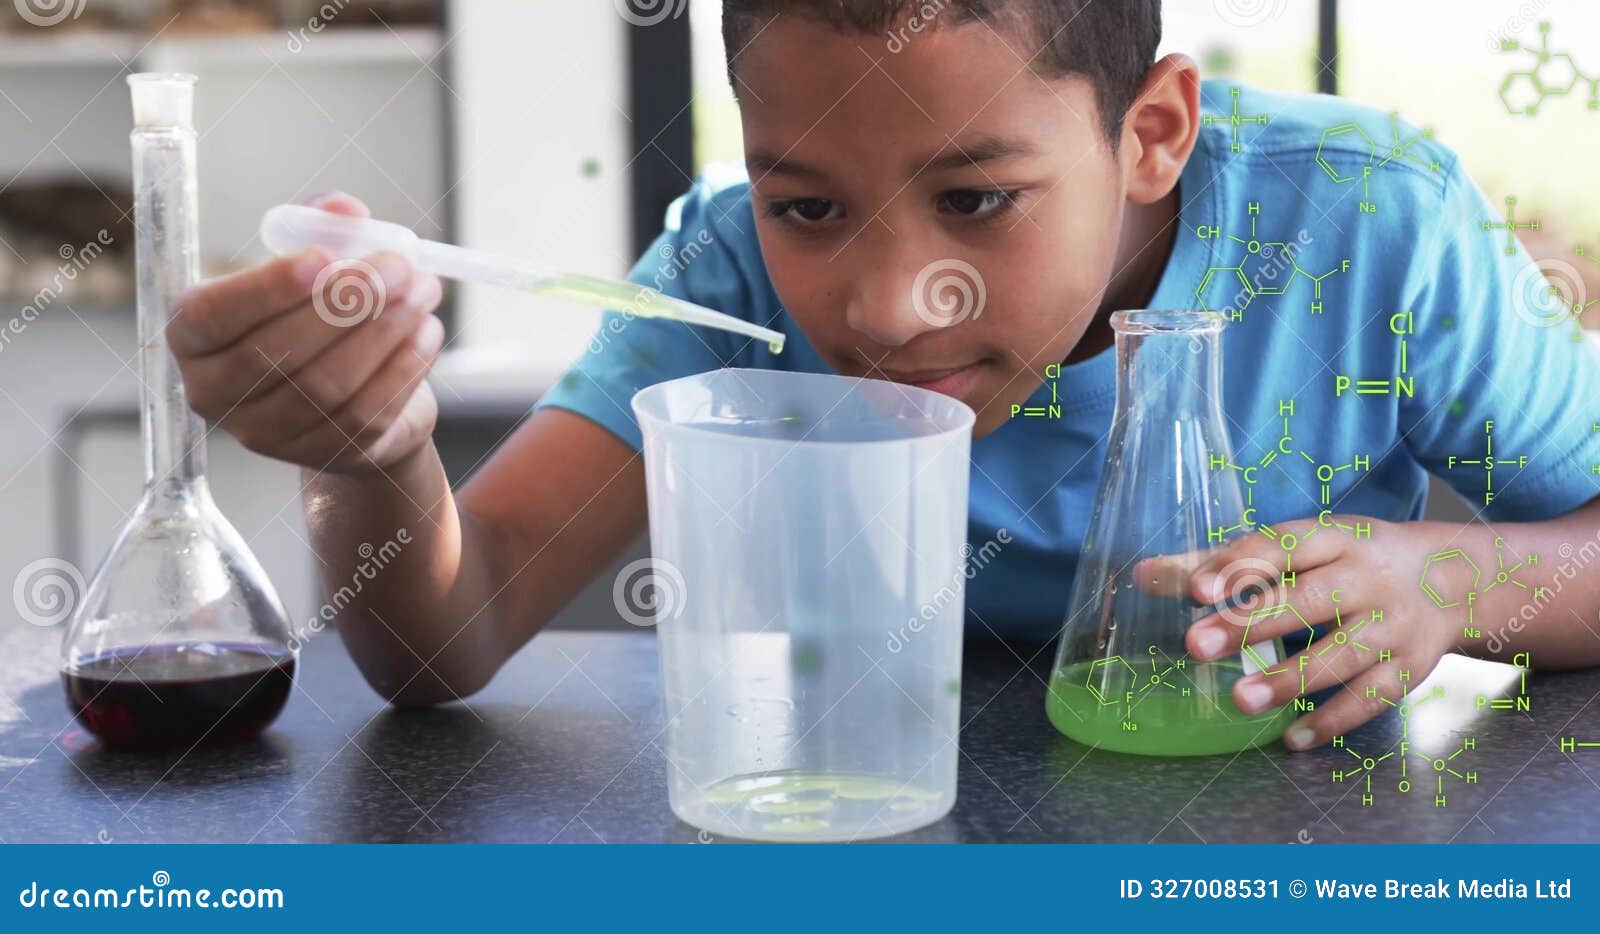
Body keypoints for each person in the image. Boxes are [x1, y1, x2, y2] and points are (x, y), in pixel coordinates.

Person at [168, 0, 1600, 751]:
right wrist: (372, 454)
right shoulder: (723, 270)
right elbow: (445, 637)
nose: (890, 304)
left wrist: (1456, 581)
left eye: (976, 199)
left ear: (1153, 133)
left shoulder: (1375, 225)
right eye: (808, 204)